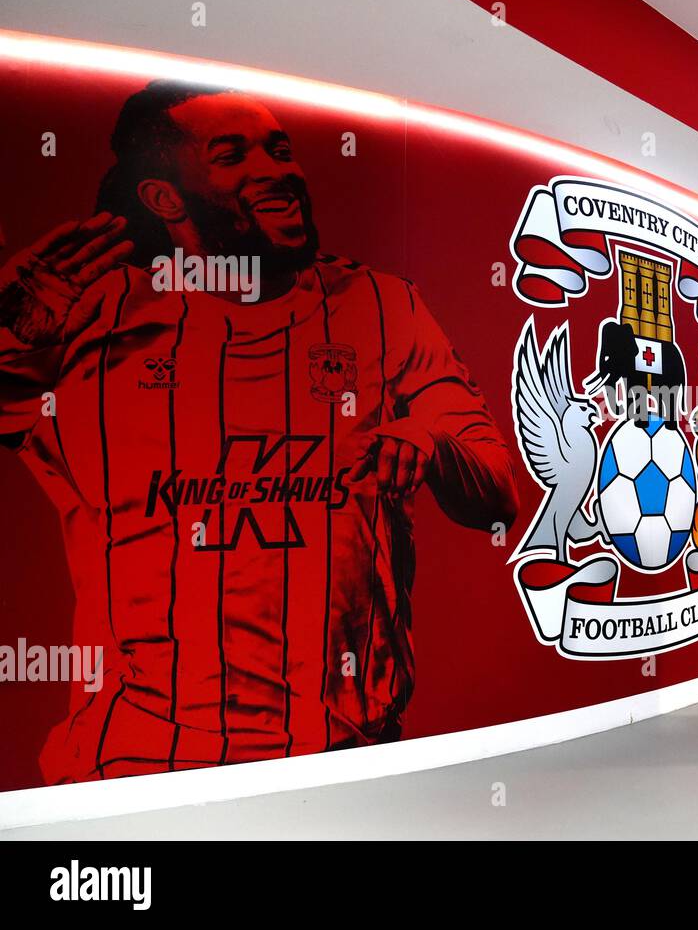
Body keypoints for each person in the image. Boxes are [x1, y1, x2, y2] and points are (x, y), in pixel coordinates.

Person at [0, 81, 518, 783]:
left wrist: (430, 443)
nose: (277, 171)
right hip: (139, 763)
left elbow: (496, 494)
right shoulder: (90, 320)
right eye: (232, 155)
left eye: (280, 149)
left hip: (345, 758)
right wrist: (8, 334)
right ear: (165, 198)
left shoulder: (381, 308)